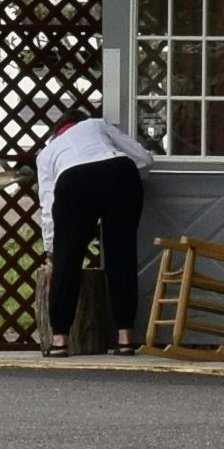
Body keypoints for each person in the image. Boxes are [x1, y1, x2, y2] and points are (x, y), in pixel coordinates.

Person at [35, 103, 142, 353]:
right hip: (121, 173)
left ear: (57, 131)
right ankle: (125, 337)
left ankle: (60, 340)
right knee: (121, 255)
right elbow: (142, 157)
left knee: (68, 259)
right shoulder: (97, 124)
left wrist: (52, 253)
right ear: (81, 121)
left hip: (74, 182)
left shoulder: (47, 153)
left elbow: (48, 206)